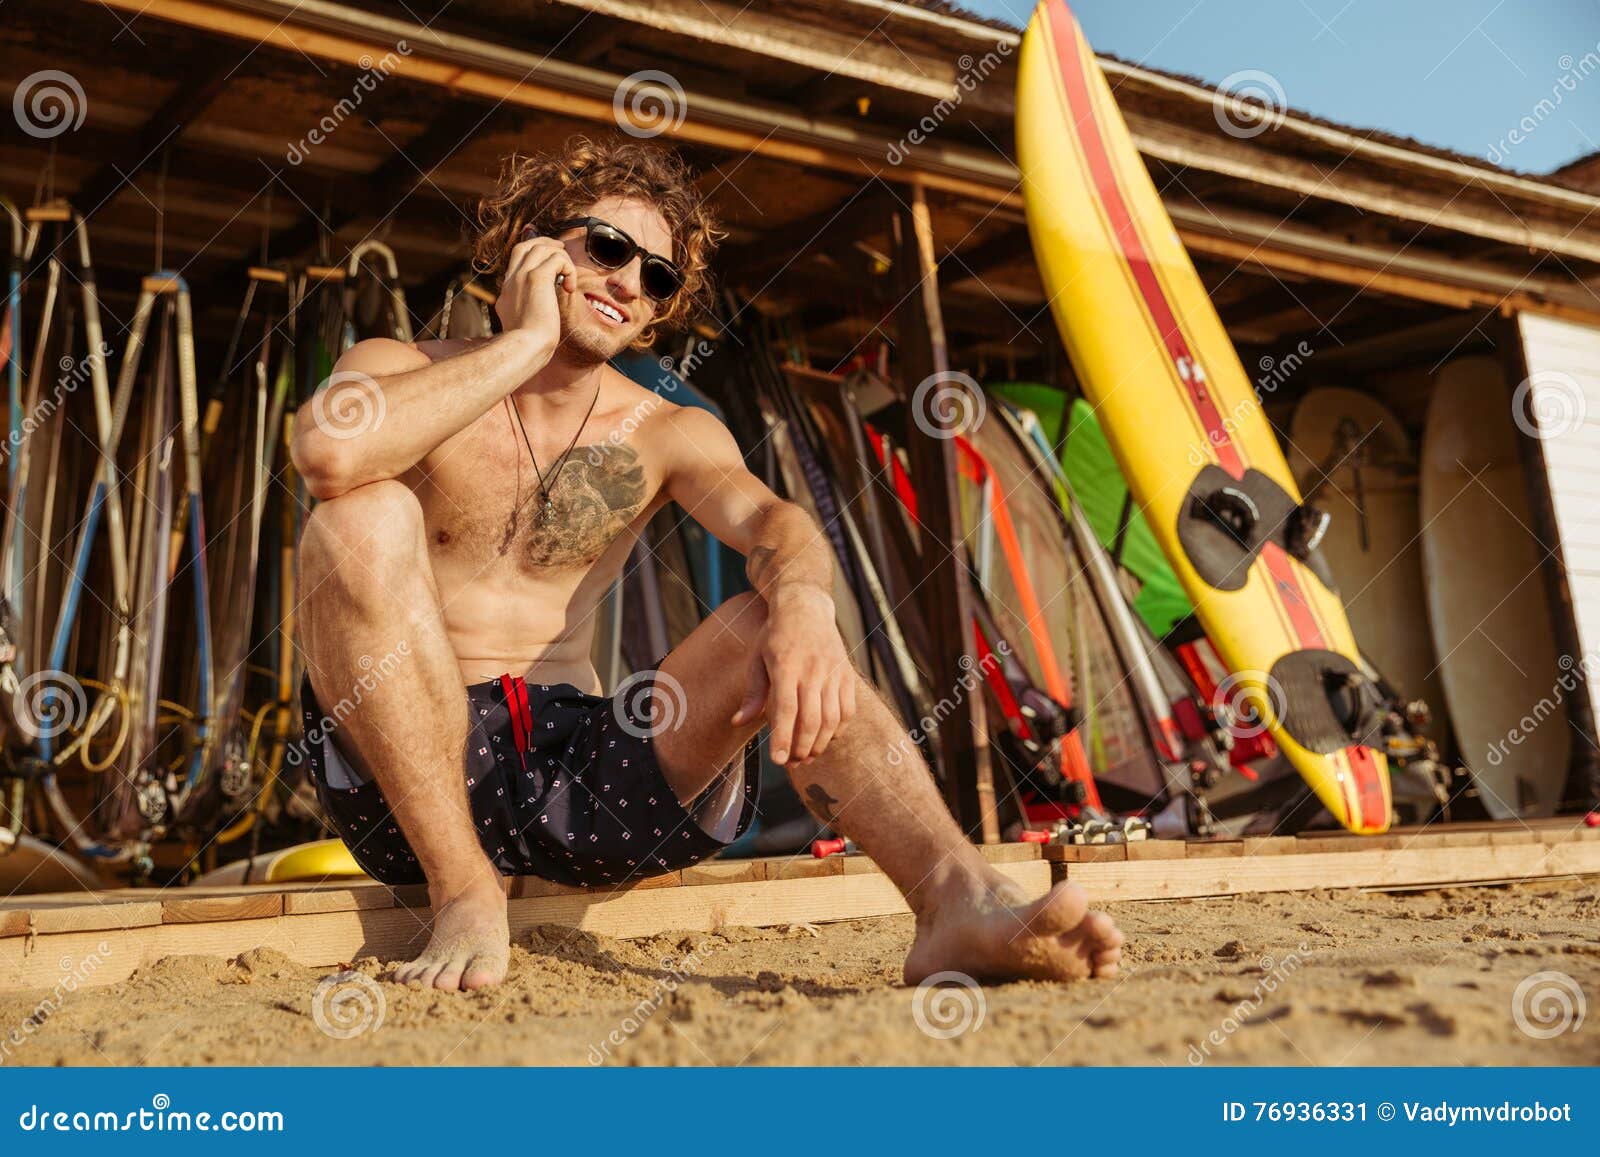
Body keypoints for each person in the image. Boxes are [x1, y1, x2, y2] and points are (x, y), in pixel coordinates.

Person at [289, 134, 1123, 992]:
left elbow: (776, 521)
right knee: (360, 517)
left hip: (577, 777)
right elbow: (328, 454)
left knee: (776, 619)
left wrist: (804, 607)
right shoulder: (399, 367)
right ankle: (464, 888)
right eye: (608, 248)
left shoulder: (663, 428)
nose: (627, 282)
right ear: (529, 244)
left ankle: (959, 900)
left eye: (654, 277)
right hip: (404, 784)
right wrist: (526, 341)